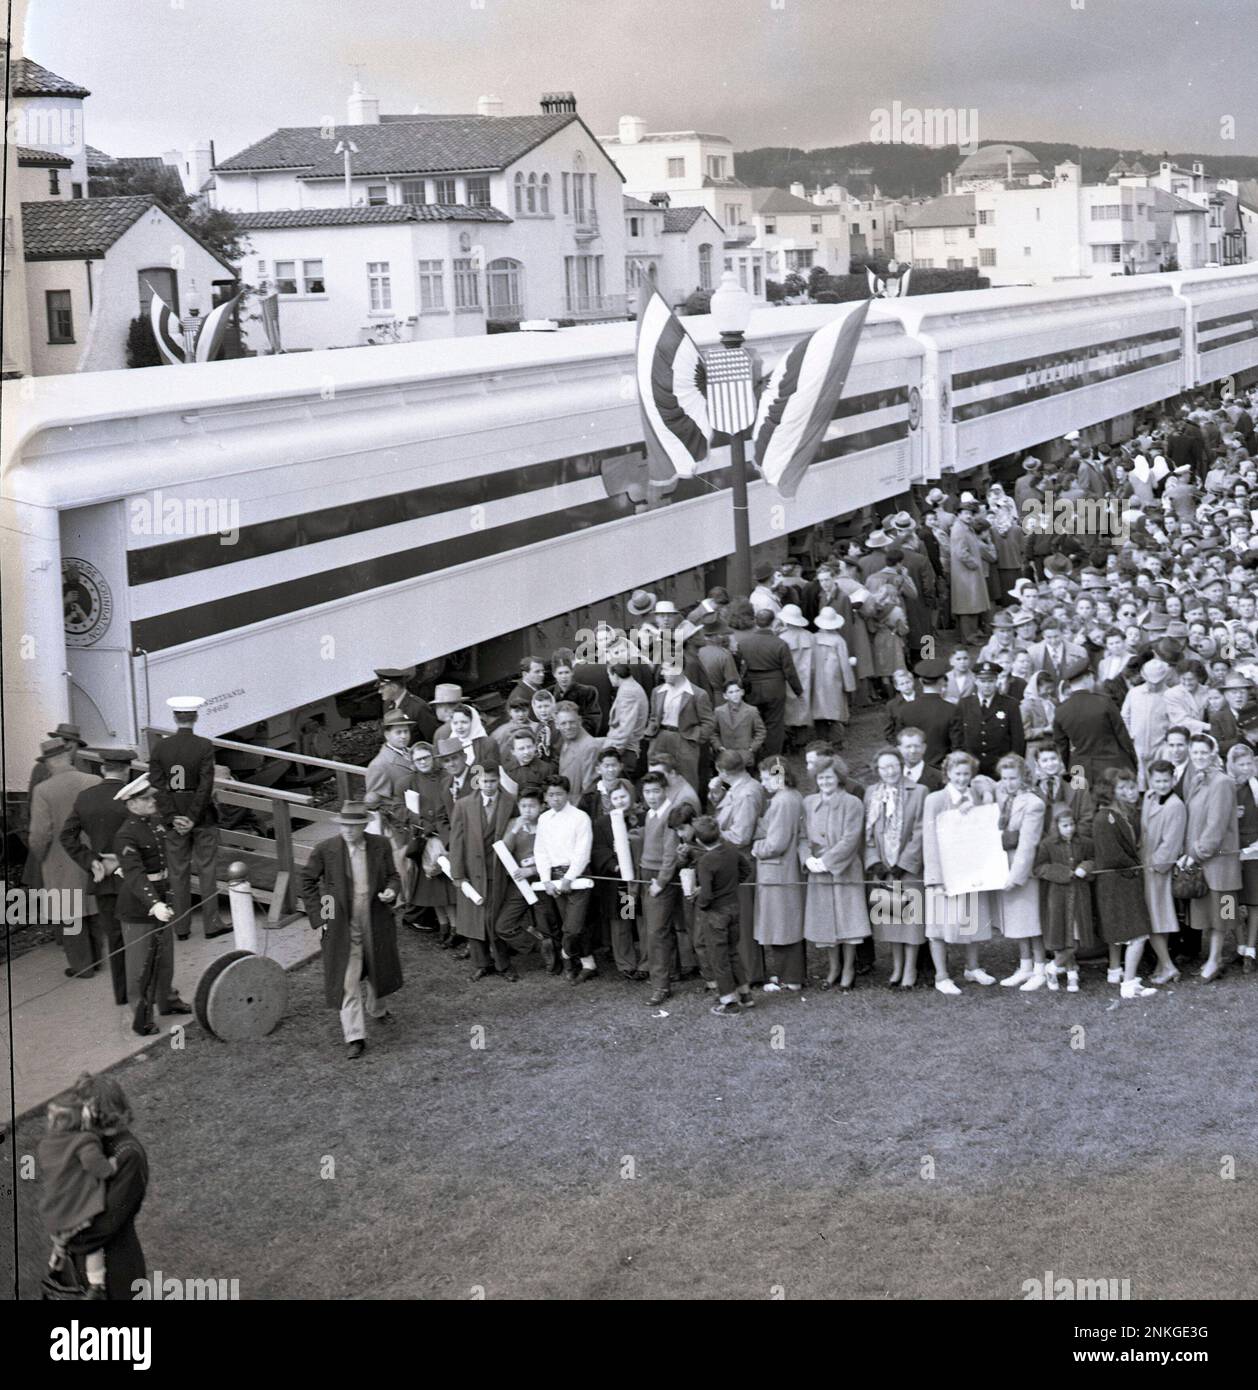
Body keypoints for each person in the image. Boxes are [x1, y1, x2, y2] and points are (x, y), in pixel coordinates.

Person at [299, 800, 402, 1060]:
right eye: (343, 824)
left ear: (364, 826)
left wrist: (392, 891)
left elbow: (394, 876)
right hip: (342, 926)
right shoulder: (326, 850)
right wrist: (322, 916)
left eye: (353, 826)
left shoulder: (380, 845)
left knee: (378, 967)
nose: (347, 830)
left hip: (374, 919)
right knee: (348, 979)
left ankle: (377, 1010)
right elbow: (307, 880)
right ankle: (355, 1036)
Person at [112, 774, 191, 1036]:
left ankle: (166, 1000)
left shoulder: (151, 822)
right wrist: (154, 903)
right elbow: (134, 874)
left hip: (159, 900)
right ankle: (142, 1016)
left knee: (165, 957)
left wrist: (176, 824)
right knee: (140, 966)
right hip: (139, 907)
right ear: (131, 804)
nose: (151, 801)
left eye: (150, 796)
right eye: (145, 799)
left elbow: (161, 831)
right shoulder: (125, 835)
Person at [148, 695, 230, 939]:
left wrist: (174, 817)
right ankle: (212, 923)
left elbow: (157, 784)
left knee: (178, 873)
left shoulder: (160, 747)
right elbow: (206, 785)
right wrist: (192, 817)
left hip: (173, 820)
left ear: (174, 717)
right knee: (207, 870)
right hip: (201, 818)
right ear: (195, 717)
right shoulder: (204, 746)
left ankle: (181, 927)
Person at [61, 1074, 148, 1301]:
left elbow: (108, 1221)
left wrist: (70, 1236)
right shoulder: (95, 1143)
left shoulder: (129, 1155)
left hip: (116, 1263)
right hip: (87, 1255)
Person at [59, 748, 135, 1004]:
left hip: (103, 878)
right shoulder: (131, 798)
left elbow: (66, 837)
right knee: (143, 934)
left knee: (115, 938)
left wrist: (92, 861)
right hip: (133, 875)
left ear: (103, 769)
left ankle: (122, 994)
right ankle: (146, 990)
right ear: (127, 770)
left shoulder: (85, 798)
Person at [922, 751, 997, 995]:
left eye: (966, 774)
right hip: (944, 872)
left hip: (970, 869)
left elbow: (989, 786)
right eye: (957, 773)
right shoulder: (935, 799)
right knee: (940, 925)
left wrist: (982, 795)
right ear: (947, 774)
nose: (962, 778)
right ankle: (941, 975)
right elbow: (929, 840)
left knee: (971, 920)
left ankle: (972, 967)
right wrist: (935, 877)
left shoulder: (976, 794)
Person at [27, 738, 98, 976]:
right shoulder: (93, 781)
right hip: (91, 855)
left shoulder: (43, 791)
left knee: (70, 914)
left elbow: (40, 833)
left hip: (60, 859)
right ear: (68, 757)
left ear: (49, 763)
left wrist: (40, 856)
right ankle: (99, 957)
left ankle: (82, 965)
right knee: (94, 906)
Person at [39, 1089, 117, 1298]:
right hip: (77, 1210)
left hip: (55, 1211)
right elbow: (95, 1165)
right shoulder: (84, 1142)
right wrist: (110, 1167)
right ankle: (96, 1286)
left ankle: (55, 1268)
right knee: (92, 1247)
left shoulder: (47, 1145)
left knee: (60, 1243)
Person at [1091, 768, 1158, 998]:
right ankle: (1129, 984)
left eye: (1129, 787)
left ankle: (1118, 973)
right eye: (1120, 788)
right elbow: (1112, 856)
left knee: (1125, 932)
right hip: (1119, 882)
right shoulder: (1106, 817)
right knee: (1138, 933)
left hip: (1121, 881)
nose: (1127, 792)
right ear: (1109, 791)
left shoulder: (1118, 814)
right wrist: (1134, 865)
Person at [864, 748, 928, 989]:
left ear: (901, 766)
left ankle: (910, 968)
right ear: (877, 770)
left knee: (910, 919)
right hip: (884, 865)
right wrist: (874, 861)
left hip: (908, 866)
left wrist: (904, 863)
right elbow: (867, 833)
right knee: (891, 918)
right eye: (884, 768)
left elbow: (920, 831)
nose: (889, 771)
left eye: (893, 766)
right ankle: (897, 967)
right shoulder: (872, 793)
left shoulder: (918, 791)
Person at [449, 764, 519, 982]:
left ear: (499, 780)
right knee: (473, 919)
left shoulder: (509, 802)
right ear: (477, 781)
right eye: (485, 781)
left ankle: (503, 964)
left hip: (497, 871)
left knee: (493, 918)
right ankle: (481, 963)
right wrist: (458, 874)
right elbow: (457, 840)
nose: (489, 786)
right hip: (472, 870)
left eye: (493, 781)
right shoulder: (463, 805)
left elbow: (515, 834)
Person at [1181, 732, 1241, 982]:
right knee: (1210, 912)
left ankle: (1215, 960)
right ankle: (1214, 958)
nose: (1199, 757)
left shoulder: (1222, 782)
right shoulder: (1198, 779)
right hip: (1204, 859)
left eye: (1203, 752)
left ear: (1213, 753)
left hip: (1220, 859)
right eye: (1194, 753)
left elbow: (1216, 826)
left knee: (1223, 913)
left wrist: (1195, 854)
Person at [987, 754, 1048, 990]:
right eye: (1004, 778)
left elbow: (1028, 843)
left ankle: (1040, 968)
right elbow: (983, 783)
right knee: (1017, 919)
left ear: (1023, 777)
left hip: (1024, 868)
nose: (1008, 783)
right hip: (1004, 863)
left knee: (1031, 919)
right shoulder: (1004, 796)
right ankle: (1025, 966)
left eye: (1013, 778)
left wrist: (1016, 876)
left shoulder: (1033, 803)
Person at [534, 774, 597, 983]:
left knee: (573, 927)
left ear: (567, 794)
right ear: (545, 797)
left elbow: (583, 851)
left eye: (559, 794)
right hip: (554, 877)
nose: (556, 799)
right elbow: (541, 851)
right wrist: (546, 880)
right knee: (570, 925)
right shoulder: (544, 819)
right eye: (551, 795)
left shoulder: (580, 817)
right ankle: (588, 963)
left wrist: (569, 878)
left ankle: (566, 957)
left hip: (578, 877)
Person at [751, 757, 806, 993]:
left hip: (778, 870)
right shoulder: (792, 797)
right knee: (784, 923)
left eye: (765, 778)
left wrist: (757, 848)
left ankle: (791, 978)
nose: (763, 784)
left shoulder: (783, 800)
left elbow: (776, 843)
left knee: (783, 925)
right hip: (783, 870)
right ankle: (788, 975)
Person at [692, 816, 755, 1016]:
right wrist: (732, 886)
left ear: (699, 841)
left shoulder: (705, 861)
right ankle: (746, 995)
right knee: (732, 952)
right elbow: (746, 870)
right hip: (734, 908)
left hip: (715, 914)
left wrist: (698, 902)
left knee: (718, 958)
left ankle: (728, 1001)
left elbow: (707, 894)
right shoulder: (731, 849)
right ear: (719, 833)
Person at [496, 787, 562, 972]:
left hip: (543, 881)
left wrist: (532, 869)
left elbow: (556, 855)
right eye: (523, 806)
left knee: (548, 923)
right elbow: (503, 851)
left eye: (532, 806)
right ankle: (540, 947)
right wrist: (515, 829)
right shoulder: (513, 825)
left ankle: (557, 959)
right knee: (503, 925)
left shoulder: (548, 824)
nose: (527, 810)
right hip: (520, 885)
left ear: (541, 807)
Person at [364, 709, 420, 918]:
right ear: (387, 734)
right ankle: (409, 909)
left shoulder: (409, 753)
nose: (404, 736)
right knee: (405, 867)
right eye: (398, 732)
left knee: (415, 865)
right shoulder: (381, 764)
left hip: (414, 818)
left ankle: (417, 905)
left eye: (406, 731)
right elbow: (374, 800)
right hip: (398, 824)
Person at [1033, 806, 1095, 993]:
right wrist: (1063, 872)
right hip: (1057, 897)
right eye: (1065, 825)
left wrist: (1086, 866)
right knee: (1063, 937)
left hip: (1079, 896)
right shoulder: (1047, 844)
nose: (1069, 829)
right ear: (1056, 826)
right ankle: (1070, 971)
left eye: (1072, 824)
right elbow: (1039, 868)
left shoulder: (1083, 842)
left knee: (1074, 938)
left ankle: (1053, 968)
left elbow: (1094, 859)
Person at [591, 783, 646, 980]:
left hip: (641, 881)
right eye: (615, 798)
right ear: (610, 801)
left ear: (630, 796)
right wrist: (615, 864)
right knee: (623, 920)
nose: (620, 801)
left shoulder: (641, 818)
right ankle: (627, 963)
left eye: (623, 797)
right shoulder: (603, 824)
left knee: (642, 920)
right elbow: (598, 849)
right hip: (621, 883)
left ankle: (647, 963)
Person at [1141, 760, 1188, 984]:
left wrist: (1156, 864)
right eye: (1157, 780)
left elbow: (1171, 843)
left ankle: (1169, 966)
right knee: (1158, 918)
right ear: (1150, 780)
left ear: (1173, 780)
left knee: (1156, 919)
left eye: (1166, 780)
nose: (1161, 785)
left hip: (1158, 870)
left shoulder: (1175, 805)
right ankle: (1162, 964)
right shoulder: (1149, 797)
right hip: (1145, 865)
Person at [639, 772, 683, 1007]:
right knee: (659, 928)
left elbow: (670, 853)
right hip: (647, 873)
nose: (651, 797)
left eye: (656, 791)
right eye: (647, 792)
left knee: (656, 932)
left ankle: (660, 986)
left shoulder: (670, 814)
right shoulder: (650, 813)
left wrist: (661, 881)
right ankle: (671, 972)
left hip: (660, 877)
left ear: (665, 790)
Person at [734, 609, 803, 756]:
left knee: (754, 722)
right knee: (775, 723)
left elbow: (739, 666)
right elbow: (789, 671)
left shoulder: (744, 643)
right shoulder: (780, 644)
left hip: (752, 685)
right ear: (773, 622)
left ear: (756, 621)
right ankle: (773, 756)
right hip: (775, 686)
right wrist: (798, 691)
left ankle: (754, 755)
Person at [643, 659, 714, 796]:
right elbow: (653, 716)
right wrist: (651, 734)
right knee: (656, 777)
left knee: (687, 778)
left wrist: (694, 737)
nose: (662, 673)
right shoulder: (657, 691)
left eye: (666, 669)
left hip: (684, 739)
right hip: (660, 737)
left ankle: (688, 810)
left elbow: (709, 723)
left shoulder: (698, 694)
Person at [949, 659, 1026, 777]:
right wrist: (961, 761)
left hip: (1000, 768)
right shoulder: (964, 704)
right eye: (982, 681)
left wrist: (1012, 765)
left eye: (991, 681)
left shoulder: (1010, 705)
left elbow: (1018, 739)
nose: (987, 685)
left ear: (996, 681)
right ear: (975, 681)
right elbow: (957, 736)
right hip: (971, 768)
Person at [1228, 741, 1258, 974]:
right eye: (1241, 764)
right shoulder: (1226, 786)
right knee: (1228, 900)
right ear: (1233, 765)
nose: (1246, 768)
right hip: (1229, 850)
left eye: (1249, 763)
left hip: (1254, 848)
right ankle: (1238, 943)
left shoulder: (1256, 787)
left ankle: (1250, 948)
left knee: (1254, 899)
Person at [810, 607, 856, 742]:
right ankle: (836, 739)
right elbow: (844, 665)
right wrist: (849, 685)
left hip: (817, 678)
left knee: (819, 710)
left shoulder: (813, 638)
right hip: (834, 679)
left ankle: (821, 738)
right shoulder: (839, 641)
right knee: (835, 710)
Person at [604, 663, 650, 774]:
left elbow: (625, 728)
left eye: (609, 675)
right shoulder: (630, 687)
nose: (609, 679)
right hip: (626, 749)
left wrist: (611, 753)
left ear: (615, 674)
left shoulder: (628, 692)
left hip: (624, 752)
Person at [375, 667, 438, 743]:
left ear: (394, 688)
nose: (379, 691)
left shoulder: (419, 707)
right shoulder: (387, 704)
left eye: (382, 687)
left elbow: (432, 738)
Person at [549, 649, 603, 736]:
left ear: (572, 672)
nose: (564, 677)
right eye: (560, 673)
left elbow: (592, 722)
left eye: (566, 672)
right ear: (554, 674)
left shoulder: (587, 692)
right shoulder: (549, 694)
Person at [712, 679, 766, 764]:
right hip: (726, 755)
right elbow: (713, 732)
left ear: (742, 692)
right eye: (731, 692)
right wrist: (719, 746)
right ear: (725, 696)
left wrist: (752, 748)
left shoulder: (752, 711)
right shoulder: (718, 711)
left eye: (737, 691)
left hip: (745, 755)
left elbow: (761, 731)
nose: (735, 695)